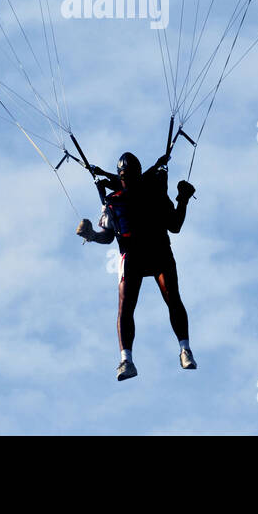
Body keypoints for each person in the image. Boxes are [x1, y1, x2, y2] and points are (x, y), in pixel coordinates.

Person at [76, 151, 196, 381]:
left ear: (137, 175)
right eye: (124, 176)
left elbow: (175, 225)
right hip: (132, 256)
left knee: (172, 296)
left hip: (158, 251)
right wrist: (91, 234)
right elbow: (109, 236)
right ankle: (126, 361)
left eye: (130, 176)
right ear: (120, 177)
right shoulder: (113, 202)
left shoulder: (155, 194)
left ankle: (185, 350)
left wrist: (183, 199)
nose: (126, 180)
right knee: (126, 305)